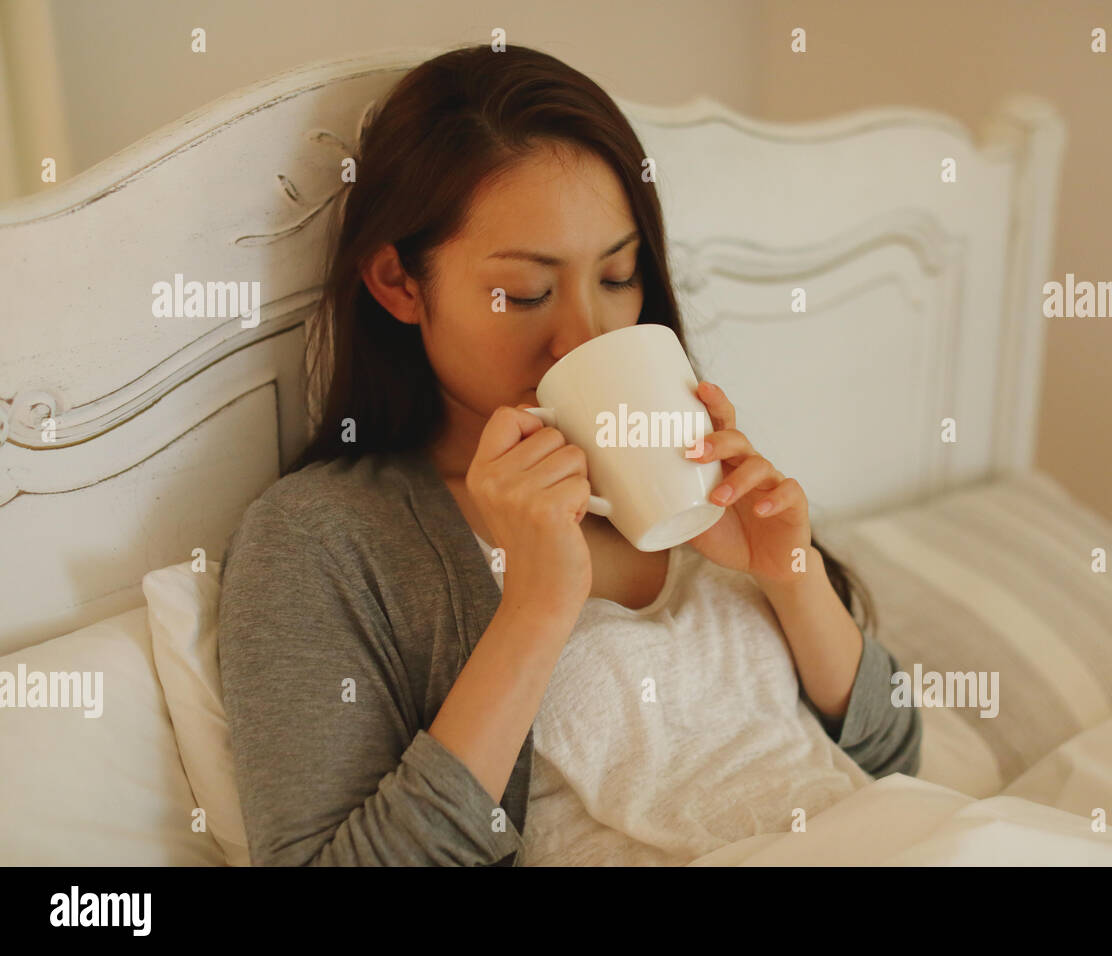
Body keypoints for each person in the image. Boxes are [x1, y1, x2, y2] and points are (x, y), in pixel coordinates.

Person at [216, 42, 921, 867]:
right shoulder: (322, 538)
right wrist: (537, 606)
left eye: (618, 275)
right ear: (399, 283)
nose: (585, 335)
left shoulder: (693, 467)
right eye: (524, 293)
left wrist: (789, 574)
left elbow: (890, 763)